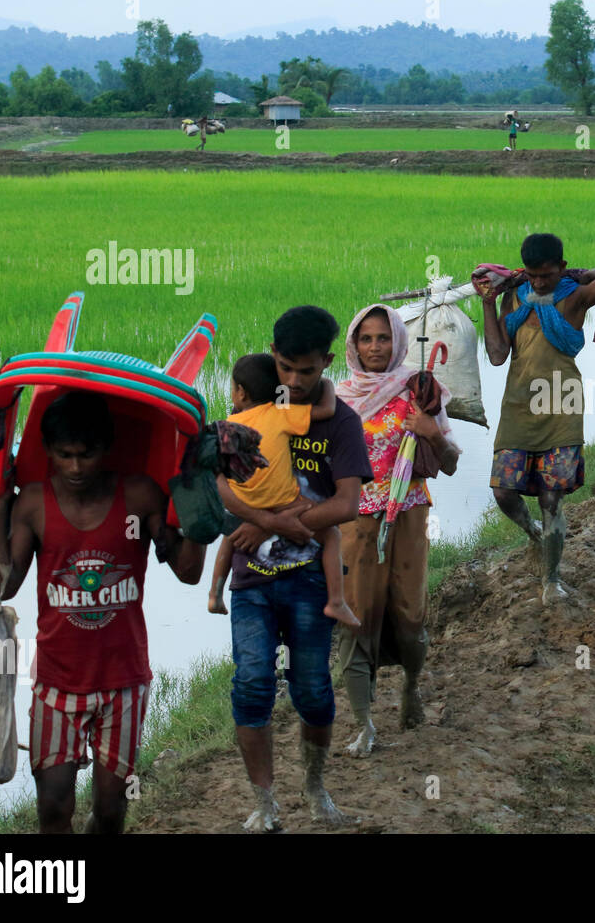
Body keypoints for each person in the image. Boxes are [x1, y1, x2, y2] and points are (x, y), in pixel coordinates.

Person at [0, 391, 205, 833]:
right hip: (56, 683)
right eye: (65, 455)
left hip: (123, 682)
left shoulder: (139, 497)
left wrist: (197, 518)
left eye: (87, 454)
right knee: (53, 809)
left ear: (107, 448)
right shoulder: (33, 504)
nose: (77, 467)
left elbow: (188, 572)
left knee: (110, 811)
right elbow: (4, 585)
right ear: (48, 452)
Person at [218, 306, 372, 831]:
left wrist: (272, 523)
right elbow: (223, 488)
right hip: (251, 579)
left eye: (308, 371)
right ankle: (264, 804)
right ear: (273, 357)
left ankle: (314, 788)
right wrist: (258, 520)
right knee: (253, 683)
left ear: (327, 362)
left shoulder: (342, 423)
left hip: (310, 575)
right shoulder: (250, 416)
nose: (296, 381)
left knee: (311, 687)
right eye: (286, 368)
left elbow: (347, 504)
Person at [335, 304, 460, 756]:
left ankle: (411, 686)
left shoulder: (420, 391)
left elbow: (450, 463)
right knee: (356, 616)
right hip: (355, 522)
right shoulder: (339, 399)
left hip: (407, 515)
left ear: (398, 342)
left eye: (383, 338)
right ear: (353, 344)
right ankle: (364, 723)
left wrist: (431, 432)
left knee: (409, 614)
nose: (374, 347)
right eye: (365, 339)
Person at [479, 234, 595, 603]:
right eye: (532, 275)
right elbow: (497, 356)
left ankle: (551, 580)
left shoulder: (575, 294)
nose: (539, 283)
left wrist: (578, 273)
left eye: (546, 275)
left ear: (560, 267)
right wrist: (488, 302)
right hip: (518, 404)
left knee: (551, 495)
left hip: (563, 402)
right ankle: (535, 533)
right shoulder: (514, 297)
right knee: (503, 491)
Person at [206, 354, 359, 629]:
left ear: (241, 392)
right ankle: (336, 600)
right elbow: (326, 410)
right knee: (332, 534)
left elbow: (215, 472)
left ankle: (215, 593)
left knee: (230, 537)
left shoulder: (228, 424)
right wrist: (325, 383)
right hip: (282, 501)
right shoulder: (280, 414)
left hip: (244, 502)